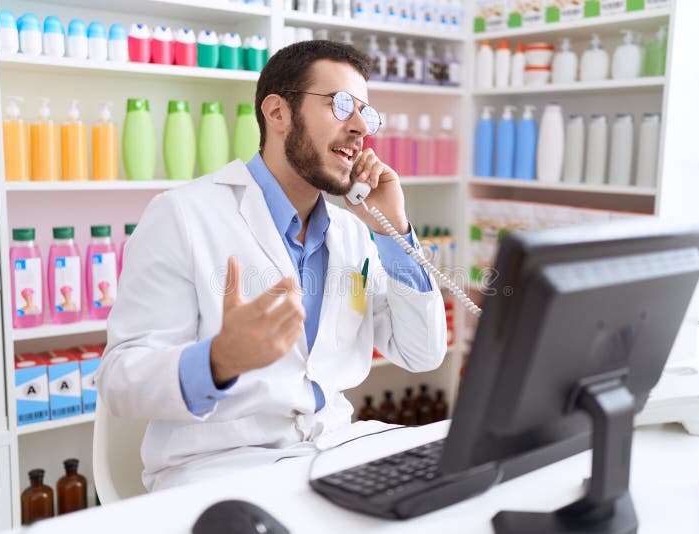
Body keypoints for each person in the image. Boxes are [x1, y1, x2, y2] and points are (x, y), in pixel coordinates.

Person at [97, 40, 447, 491]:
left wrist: (393, 230)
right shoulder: (181, 215)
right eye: (342, 106)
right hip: (222, 469)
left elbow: (422, 352)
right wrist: (218, 359)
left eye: (366, 112)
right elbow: (120, 382)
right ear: (277, 113)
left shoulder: (357, 231)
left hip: (335, 451)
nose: (361, 127)